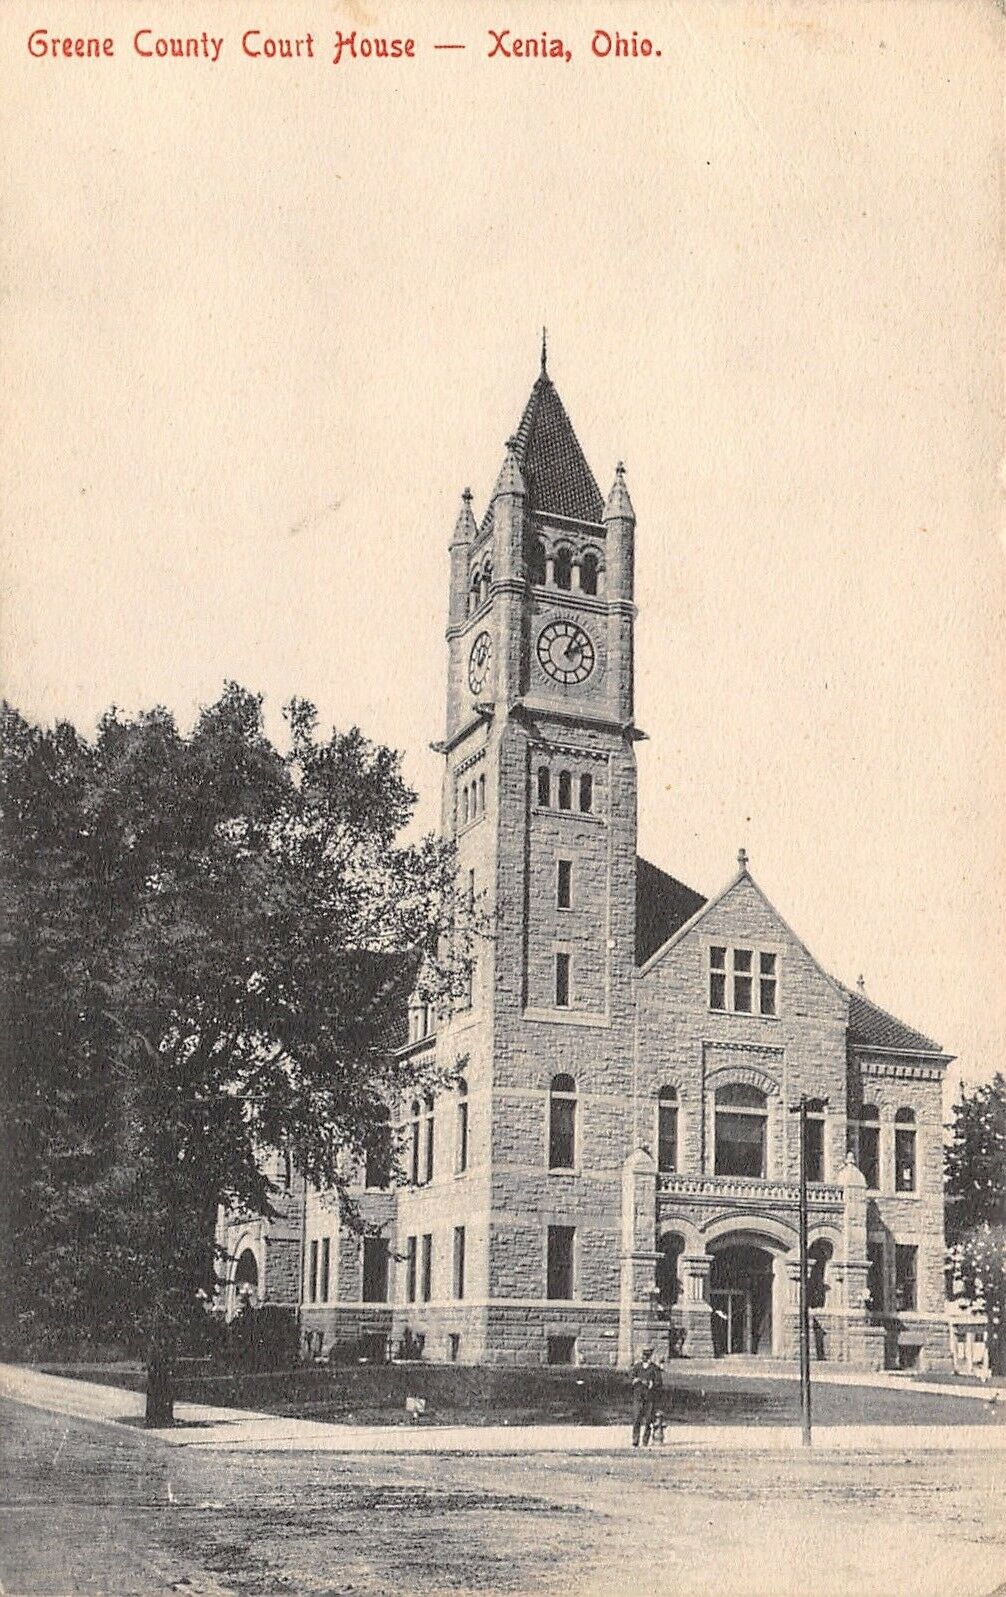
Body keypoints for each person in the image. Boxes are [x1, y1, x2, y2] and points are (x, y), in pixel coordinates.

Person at [630, 1345, 662, 1447]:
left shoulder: (654, 1368)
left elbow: (659, 1382)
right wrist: (635, 1380)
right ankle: (635, 1440)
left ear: (650, 1356)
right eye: (643, 1354)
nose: (644, 1356)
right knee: (636, 1419)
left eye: (646, 1355)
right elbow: (631, 1378)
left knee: (648, 1420)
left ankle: (645, 1441)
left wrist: (650, 1383)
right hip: (638, 1397)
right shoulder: (637, 1367)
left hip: (649, 1398)